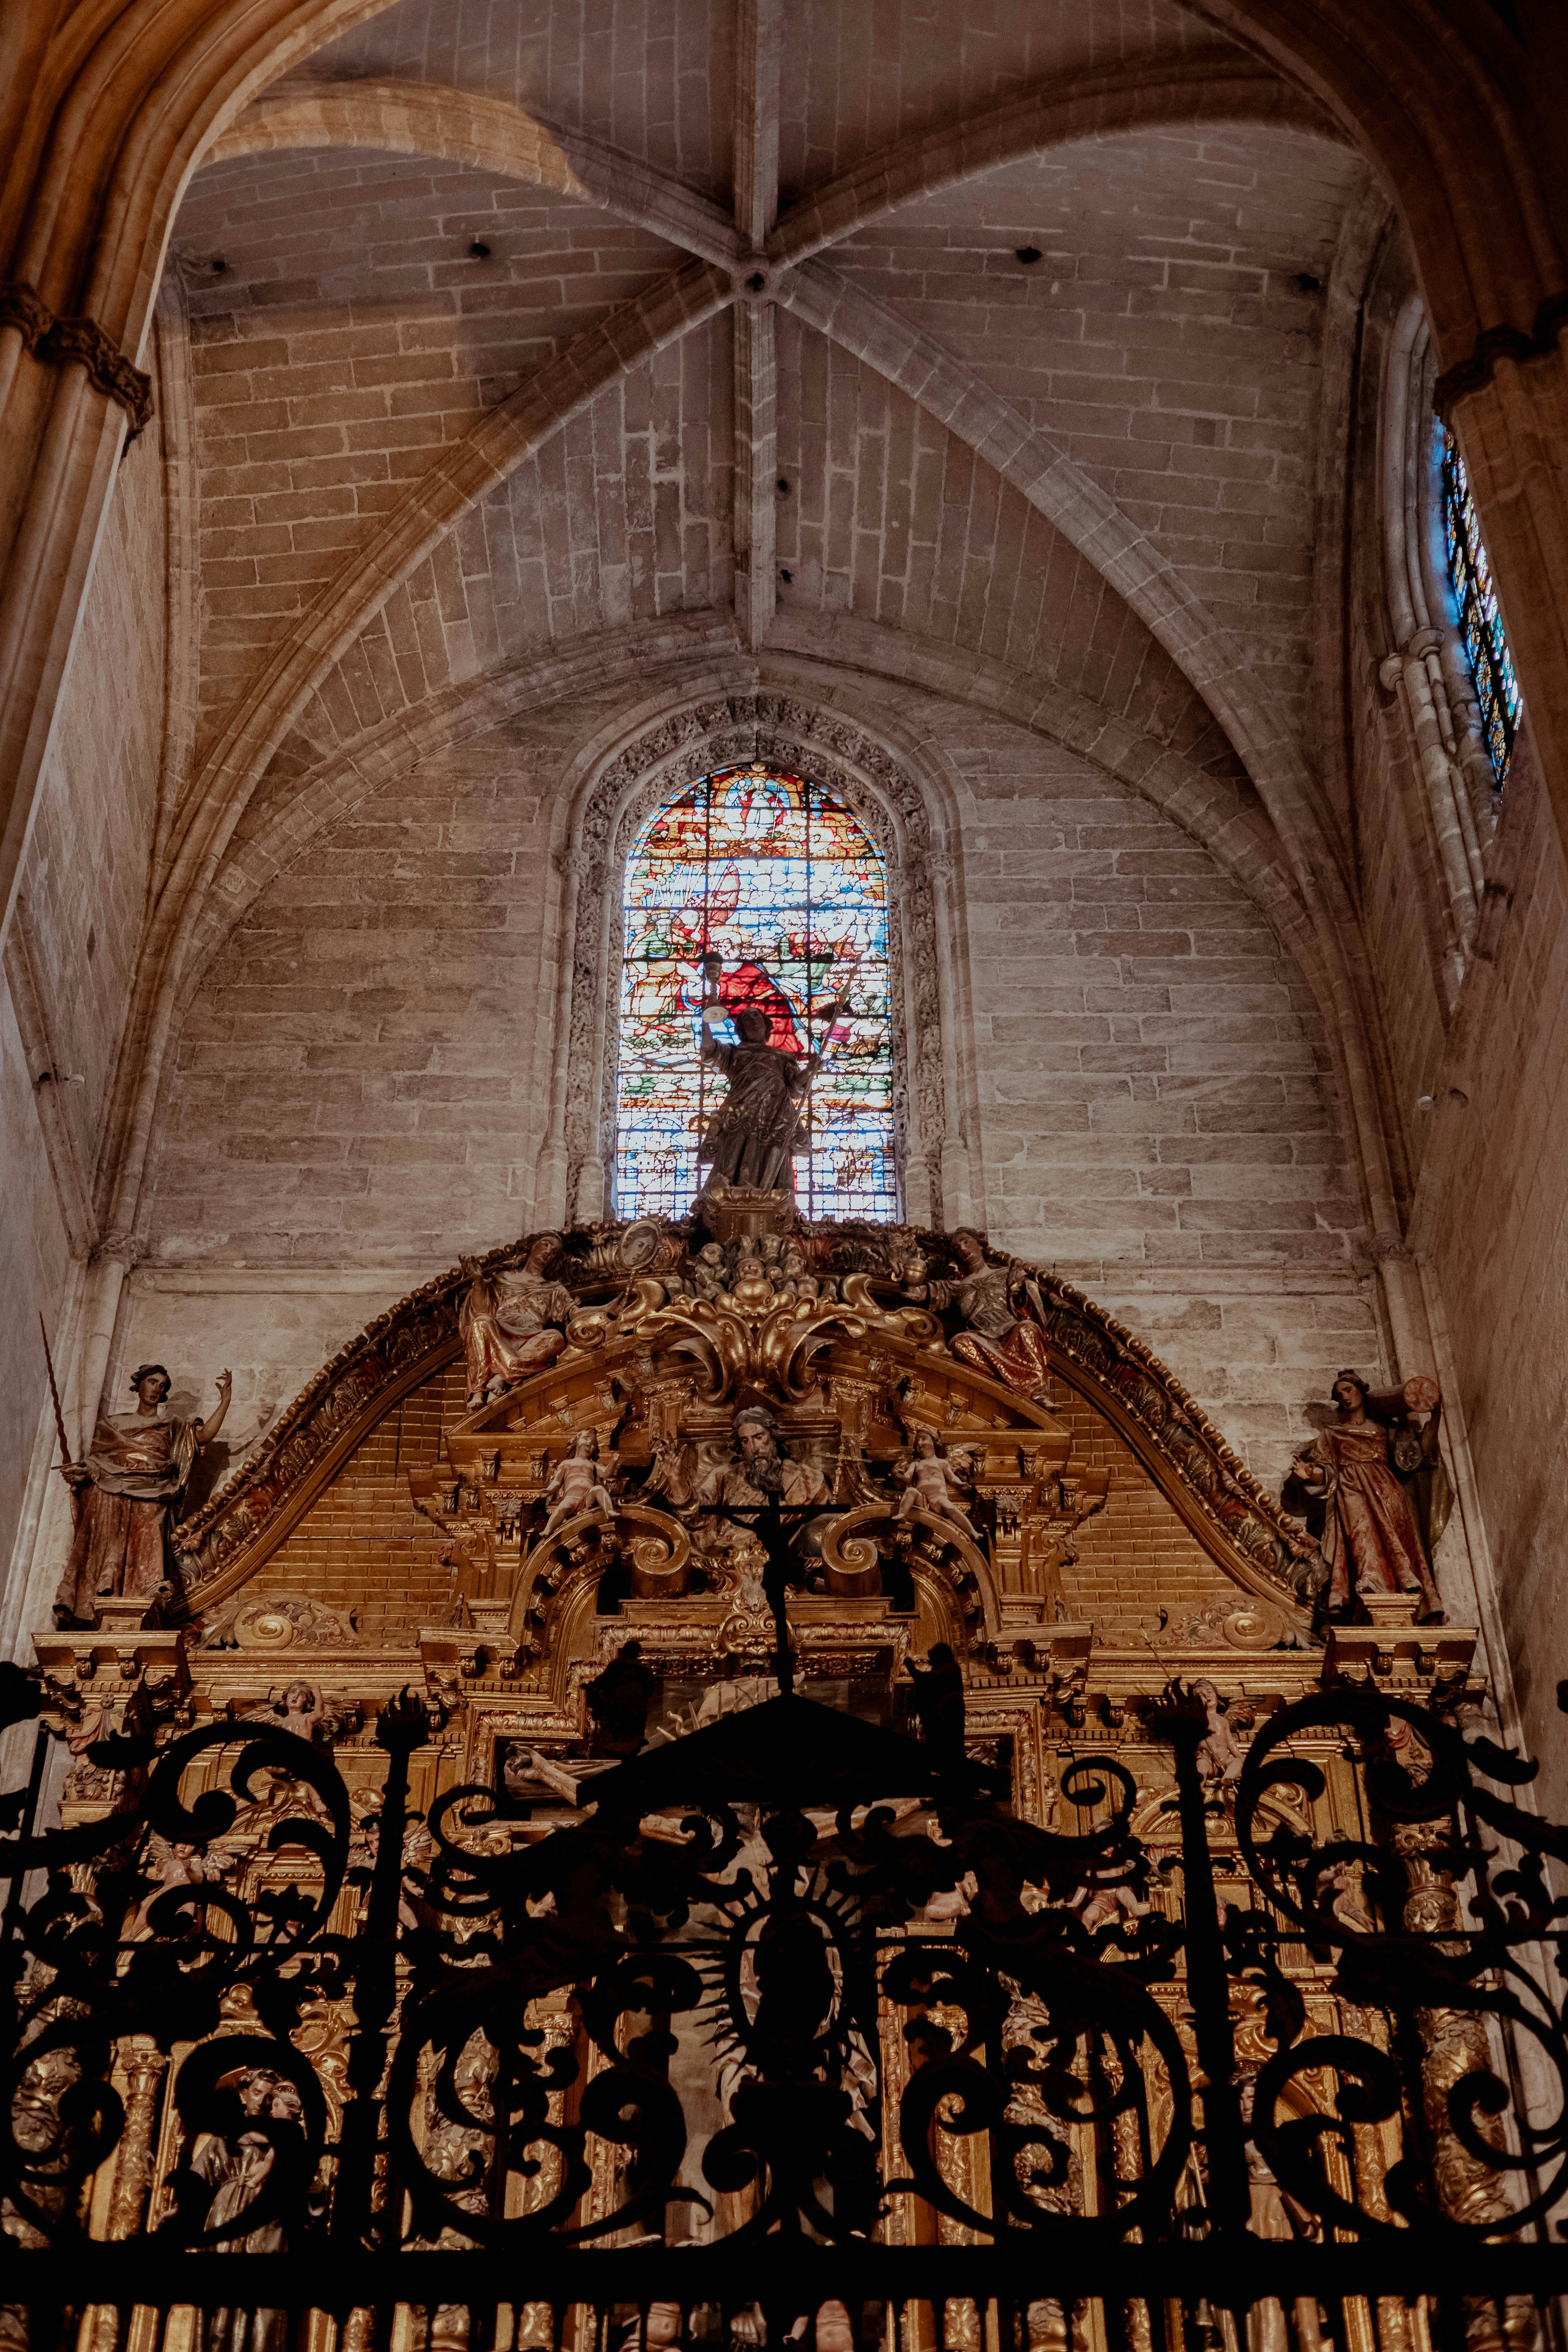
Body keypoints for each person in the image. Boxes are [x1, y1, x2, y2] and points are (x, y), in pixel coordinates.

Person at [54, 1361, 231, 1627]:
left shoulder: (171, 1425)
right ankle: (103, 1600)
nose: (157, 1389)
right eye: (152, 1382)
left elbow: (204, 1436)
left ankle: (142, 1604)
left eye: (162, 1385)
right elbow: (98, 1460)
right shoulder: (114, 1423)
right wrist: (83, 1471)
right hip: (109, 1490)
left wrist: (226, 1402)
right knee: (108, 1545)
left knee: (147, 1544)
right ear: (139, 1385)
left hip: (154, 1490)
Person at [1288, 1370, 1444, 1621]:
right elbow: (1325, 1469)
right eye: (1340, 1395)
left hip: (1386, 1487)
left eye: (1348, 1390)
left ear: (1361, 1391)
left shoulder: (1386, 1430)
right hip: (1351, 1488)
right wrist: (1309, 1474)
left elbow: (1418, 1457)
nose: (1345, 1397)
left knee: (1397, 1537)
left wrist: (1436, 1415)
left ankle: (1408, 1588)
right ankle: (1371, 1584)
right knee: (1361, 1535)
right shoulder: (1332, 1433)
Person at [899, 1231, 1053, 1403]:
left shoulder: (1006, 1274)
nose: (963, 1249)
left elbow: (1027, 1300)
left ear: (980, 1244)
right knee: (960, 1343)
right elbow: (917, 1294)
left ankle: (1038, 1392)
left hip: (1010, 1331)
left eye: (966, 1242)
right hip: (983, 1338)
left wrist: (1021, 1285)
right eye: (958, 1248)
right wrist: (906, 1275)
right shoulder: (956, 1287)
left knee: (1027, 1328)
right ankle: (999, 1387)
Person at [697, 989, 822, 1194]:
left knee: (774, 1161)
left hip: (775, 1117)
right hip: (739, 1116)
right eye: (747, 1019)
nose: (753, 1021)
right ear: (741, 1029)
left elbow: (796, 1089)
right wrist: (706, 1019)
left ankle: (772, 1204)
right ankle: (727, 1199)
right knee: (731, 1161)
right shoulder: (734, 1053)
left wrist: (810, 1069)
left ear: (766, 1026)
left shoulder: (783, 1057)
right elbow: (710, 1051)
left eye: (757, 1017)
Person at [457, 1236, 575, 1406]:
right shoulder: (503, 1279)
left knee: (555, 1338)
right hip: (501, 1331)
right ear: (532, 1247)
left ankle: (502, 1377)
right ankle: (479, 1390)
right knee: (481, 1322)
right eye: (546, 1244)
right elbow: (481, 1309)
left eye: (554, 1252)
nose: (549, 1251)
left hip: (532, 1336)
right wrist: (478, 1281)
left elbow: (574, 1312)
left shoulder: (553, 1288)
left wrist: (606, 1309)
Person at [697, 1405, 828, 1511]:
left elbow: (823, 1526)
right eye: (745, 1441)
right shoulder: (724, 1476)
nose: (754, 1449)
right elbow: (697, 1515)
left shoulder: (810, 1479)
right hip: (729, 1544)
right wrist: (679, 1486)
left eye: (759, 1438)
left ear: (774, 1436)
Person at [893, 1428, 981, 1540]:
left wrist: (961, 1484)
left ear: (934, 1443)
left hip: (938, 1497)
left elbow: (952, 1478)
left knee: (949, 1507)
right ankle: (903, 1514)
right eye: (917, 1442)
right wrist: (901, 1476)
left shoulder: (942, 1463)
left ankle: (972, 1532)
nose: (920, 1444)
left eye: (924, 1439)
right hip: (922, 1498)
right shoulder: (916, 1464)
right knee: (911, 1491)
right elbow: (908, 1478)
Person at [538, 1429, 615, 1544]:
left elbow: (607, 1474)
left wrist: (613, 1461)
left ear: (595, 1451)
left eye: (593, 1443)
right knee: (562, 1508)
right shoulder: (566, 1464)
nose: (589, 1444)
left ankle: (609, 1511)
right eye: (586, 1439)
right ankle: (548, 1529)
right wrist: (549, 1490)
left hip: (587, 1498)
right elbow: (557, 1482)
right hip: (571, 1498)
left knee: (598, 1489)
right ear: (577, 1443)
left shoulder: (593, 1465)